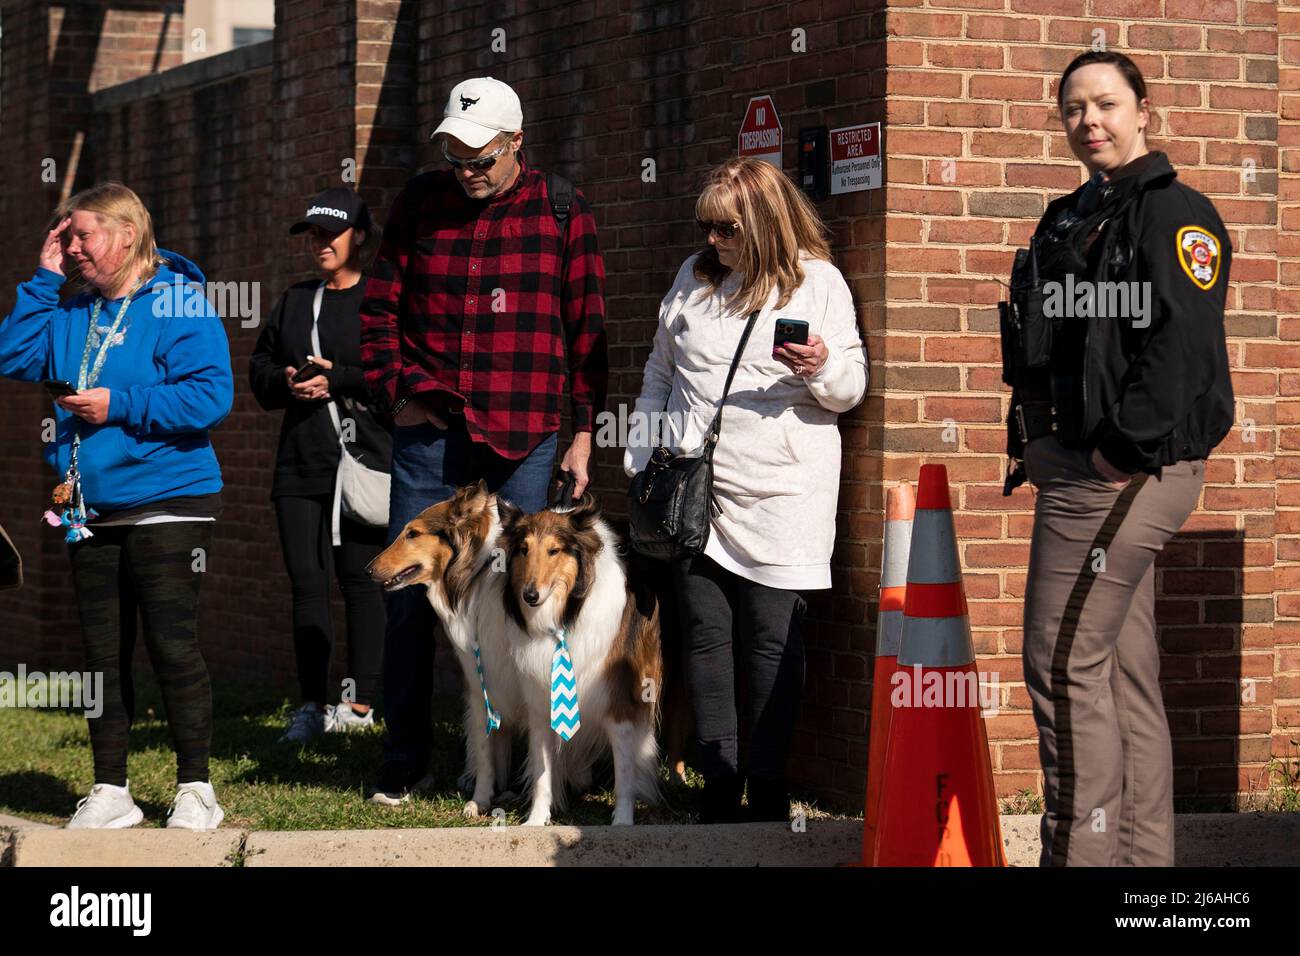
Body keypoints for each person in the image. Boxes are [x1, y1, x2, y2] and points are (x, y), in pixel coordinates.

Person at [1003, 50, 1234, 866]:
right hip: (1076, 467)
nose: (1088, 121)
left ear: (1144, 111)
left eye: (1105, 103)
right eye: (1073, 108)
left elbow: (1184, 352)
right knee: (1119, 673)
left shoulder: (1176, 214)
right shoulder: (1070, 214)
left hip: (1124, 474)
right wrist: (1035, 439)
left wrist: (1111, 454)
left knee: (1063, 660)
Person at [359, 76, 608, 804]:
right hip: (430, 438)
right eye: (455, 156)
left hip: (524, 436)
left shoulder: (564, 211)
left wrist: (584, 434)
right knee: (409, 601)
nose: (465, 170)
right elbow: (379, 311)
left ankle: (532, 771)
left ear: (515, 144)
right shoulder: (418, 203)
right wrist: (398, 392)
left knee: (523, 608)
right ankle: (405, 760)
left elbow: (587, 331)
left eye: (480, 157)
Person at [624, 158, 868, 822]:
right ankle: (718, 783)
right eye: (706, 227)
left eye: (727, 229)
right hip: (699, 492)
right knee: (704, 636)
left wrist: (821, 365)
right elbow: (659, 368)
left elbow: (850, 389)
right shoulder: (693, 279)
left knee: (770, 641)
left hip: (787, 491)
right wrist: (643, 450)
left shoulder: (818, 284)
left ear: (763, 225)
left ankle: (766, 786)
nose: (713, 242)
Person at [0, 182, 234, 829]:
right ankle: (111, 790)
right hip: (89, 509)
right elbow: (12, 355)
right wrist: (44, 279)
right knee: (101, 654)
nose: (72, 246)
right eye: (65, 237)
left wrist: (118, 405)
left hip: (169, 501)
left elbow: (211, 397)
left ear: (127, 234)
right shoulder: (72, 310)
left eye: (83, 235)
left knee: (171, 645)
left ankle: (195, 790)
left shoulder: (180, 302)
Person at [250, 187, 389, 745]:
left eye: (329, 233)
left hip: (362, 463)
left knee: (362, 585)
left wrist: (342, 377)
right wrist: (284, 379)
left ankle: (359, 707)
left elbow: (393, 379)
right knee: (307, 586)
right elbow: (258, 372)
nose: (319, 243)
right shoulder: (294, 300)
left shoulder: (381, 300)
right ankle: (310, 705)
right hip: (301, 466)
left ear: (359, 235)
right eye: (312, 233)